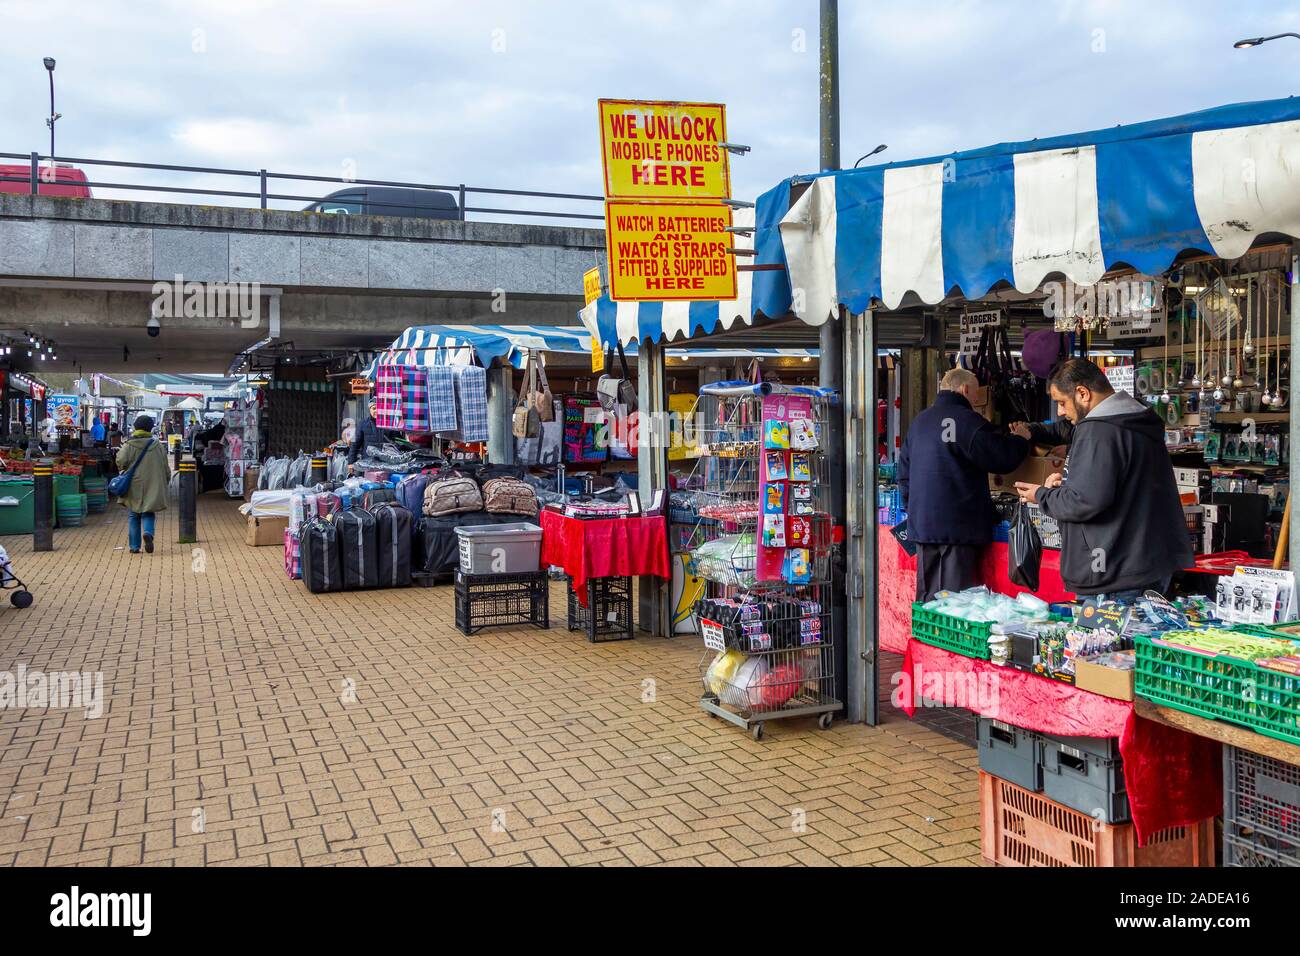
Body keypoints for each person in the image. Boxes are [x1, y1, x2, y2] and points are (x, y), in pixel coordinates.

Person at [1011, 358, 1192, 601]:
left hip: (1114, 575)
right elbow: (1114, 488)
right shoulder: (1134, 421)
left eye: (1061, 403)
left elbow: (1084, 501)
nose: (1061, 412)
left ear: (1083, 393)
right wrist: (1066, 487)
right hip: (1146, 567)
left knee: (1107, 640)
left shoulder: (1098, 430)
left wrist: (1041, 495)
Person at [898, 367, 1030, 601]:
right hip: (959, 528)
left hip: (923, 527)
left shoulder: (919, 422)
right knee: (957, 602)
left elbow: (904, 476)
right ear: (966, 389)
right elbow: (1002, 458)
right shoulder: (968, 421)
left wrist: (915, 512)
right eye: (977, 393)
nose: (978, 399)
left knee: (928, 599)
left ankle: (927, 637)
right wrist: (1021, 438)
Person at [115, 414, 170, 555]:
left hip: (134, 483)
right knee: (148, 511)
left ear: (135, 427)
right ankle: (148, 533)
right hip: (153, 483)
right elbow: (165, 466)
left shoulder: (129, 444)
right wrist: (166, 480)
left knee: (134, 514)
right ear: (151, 428)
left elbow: (120, 461)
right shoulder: (157, 445)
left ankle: (134, 546)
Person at [348, 401, 391, 470]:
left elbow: (396, 443)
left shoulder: (389, 423)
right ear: (369, 410)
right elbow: (355, 444)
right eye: (374, 408)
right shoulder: (363, 424)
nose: (376, 411)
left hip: (387, 463)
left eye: (379, 408)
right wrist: (351, 462)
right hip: (368, 463)